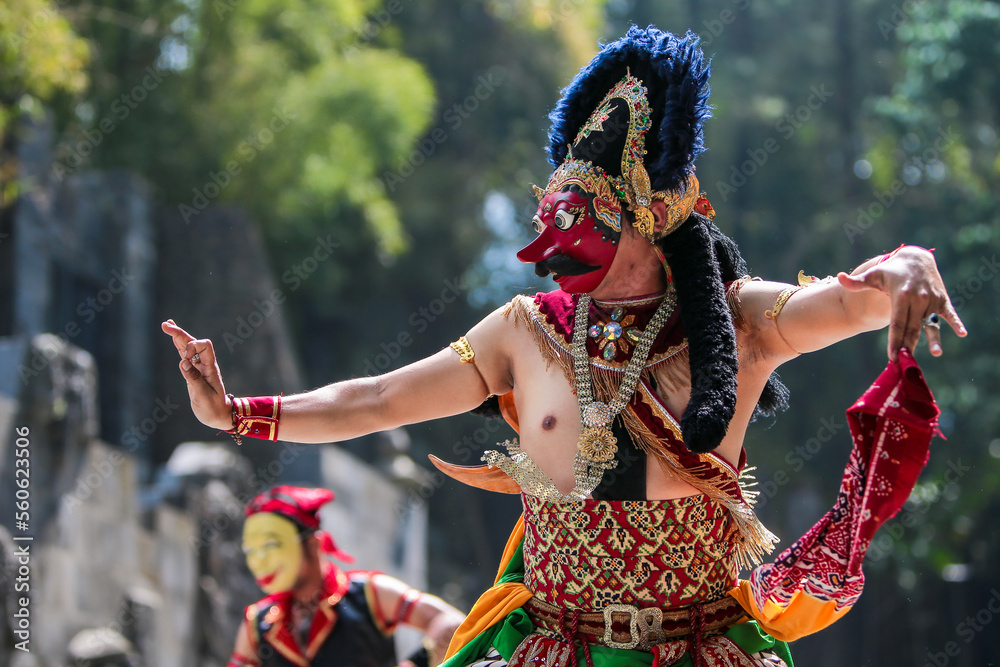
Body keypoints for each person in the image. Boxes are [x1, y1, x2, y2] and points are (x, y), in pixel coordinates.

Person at [165, 26, 965, 667]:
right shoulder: (524, 329)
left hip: (698, 647)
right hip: (552, 644)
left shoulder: (740, 319)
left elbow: (847, 305)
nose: (554, 237)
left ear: (648, 217)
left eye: (582, 213)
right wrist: (238, 411)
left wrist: (909, 266)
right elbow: (377, 399)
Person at [228, 485, 464, 667]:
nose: (258, 560)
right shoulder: (258, 624)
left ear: (313, 543)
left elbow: (452, 623)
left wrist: (414, 664)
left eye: (270, 545)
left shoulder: (369, 593)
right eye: (250, 550)